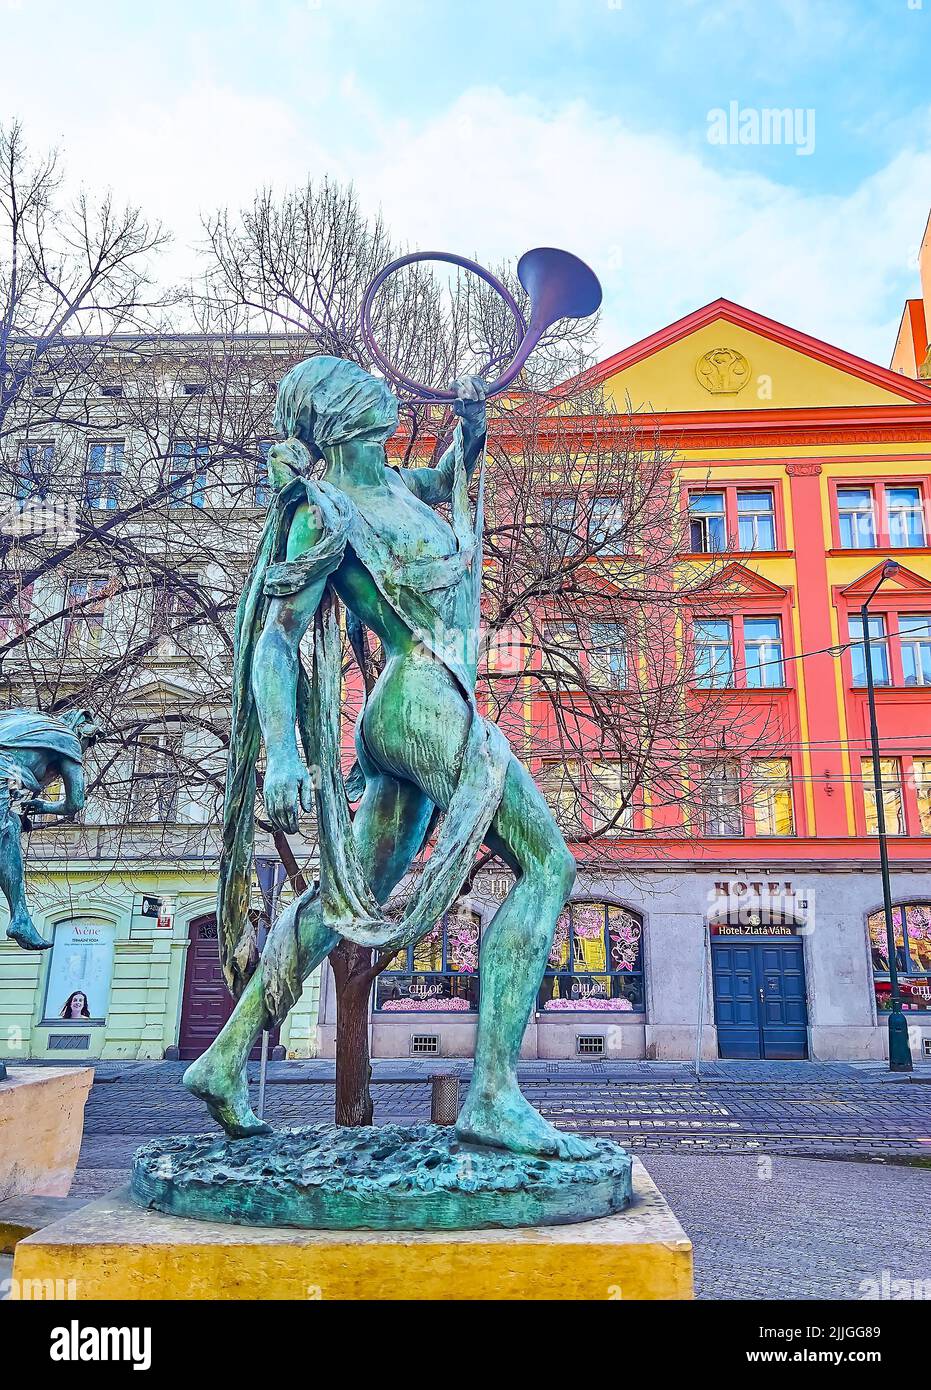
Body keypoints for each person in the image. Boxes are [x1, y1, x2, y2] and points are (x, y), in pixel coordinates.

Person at [184, 358, 591, 1160]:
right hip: (417, 700)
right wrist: (286, 756)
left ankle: (223, 1062)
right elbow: (275, 641)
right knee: (549, 865)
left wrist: (467, 442)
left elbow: (444, 480)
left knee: (348, 897)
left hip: (431, 697)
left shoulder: (401, 485)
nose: (386, 395)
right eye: (368, 394)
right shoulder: (324, 513)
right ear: (343, 418)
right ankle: (494, 1097)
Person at [0, 708, 99, 950]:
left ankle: (21, 918)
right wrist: (44, 805)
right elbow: (75, 803)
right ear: (83, 734)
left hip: (7, 778)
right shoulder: (68, 740)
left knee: (10, 826)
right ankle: (20, 917)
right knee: (6, 834)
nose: (84, 750)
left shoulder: (25, 719)